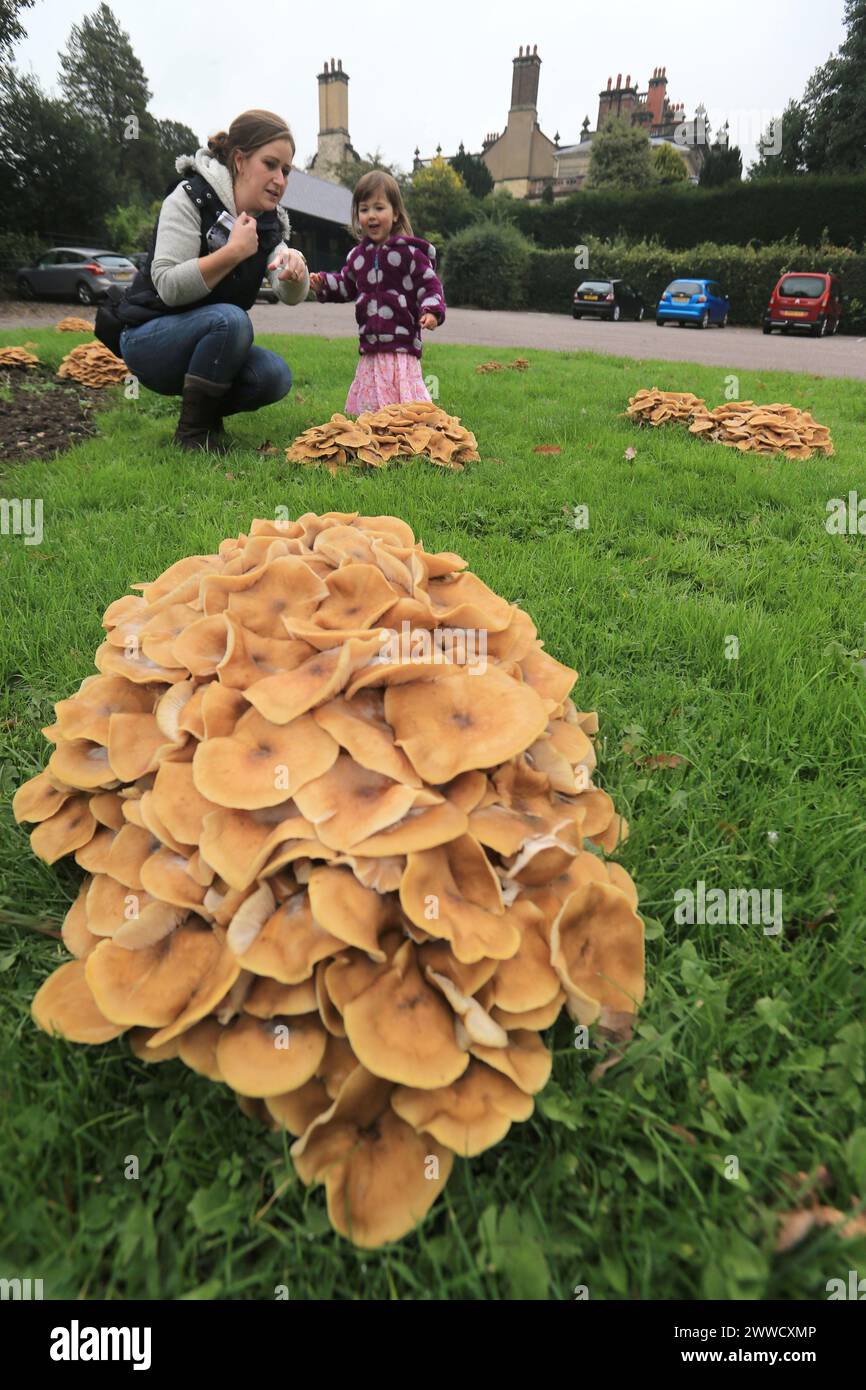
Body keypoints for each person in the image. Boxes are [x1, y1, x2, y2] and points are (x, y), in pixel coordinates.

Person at [116, 109, 309, 454]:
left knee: (274, 376)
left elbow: (289, 293)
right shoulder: (189, 197)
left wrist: (295, 268)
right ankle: (191, 435)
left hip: (212, 342)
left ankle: (206, 414)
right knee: (232, 320)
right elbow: (168, 285)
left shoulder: (269, 225)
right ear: (239, 160)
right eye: (270, 164)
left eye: (286, 170)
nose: (280, 179)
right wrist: (233, 252)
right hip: (148, 339)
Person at [309, 171, 445, 415]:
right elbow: (345, 285)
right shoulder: (358, 257)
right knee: (372, 412)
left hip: (401, 348)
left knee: (406, 411)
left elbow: (430, 284)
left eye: (379, 208)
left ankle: (408, 435)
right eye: (364, 209)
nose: (371, 215)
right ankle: (374, 436)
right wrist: (323, 284)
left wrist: (432, 310)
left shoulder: (409, 254)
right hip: (371, 347)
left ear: (395, 214)